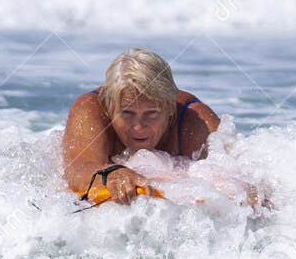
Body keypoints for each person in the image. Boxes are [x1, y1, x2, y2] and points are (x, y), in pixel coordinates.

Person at [62, 48, 220, 205]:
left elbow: (231, 179)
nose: (138, 127)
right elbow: (77, 169)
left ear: (170, 108)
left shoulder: (196, 122)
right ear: (109, 108)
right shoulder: (90, 109)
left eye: (151, 114)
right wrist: (111, 173)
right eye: (127, 113)